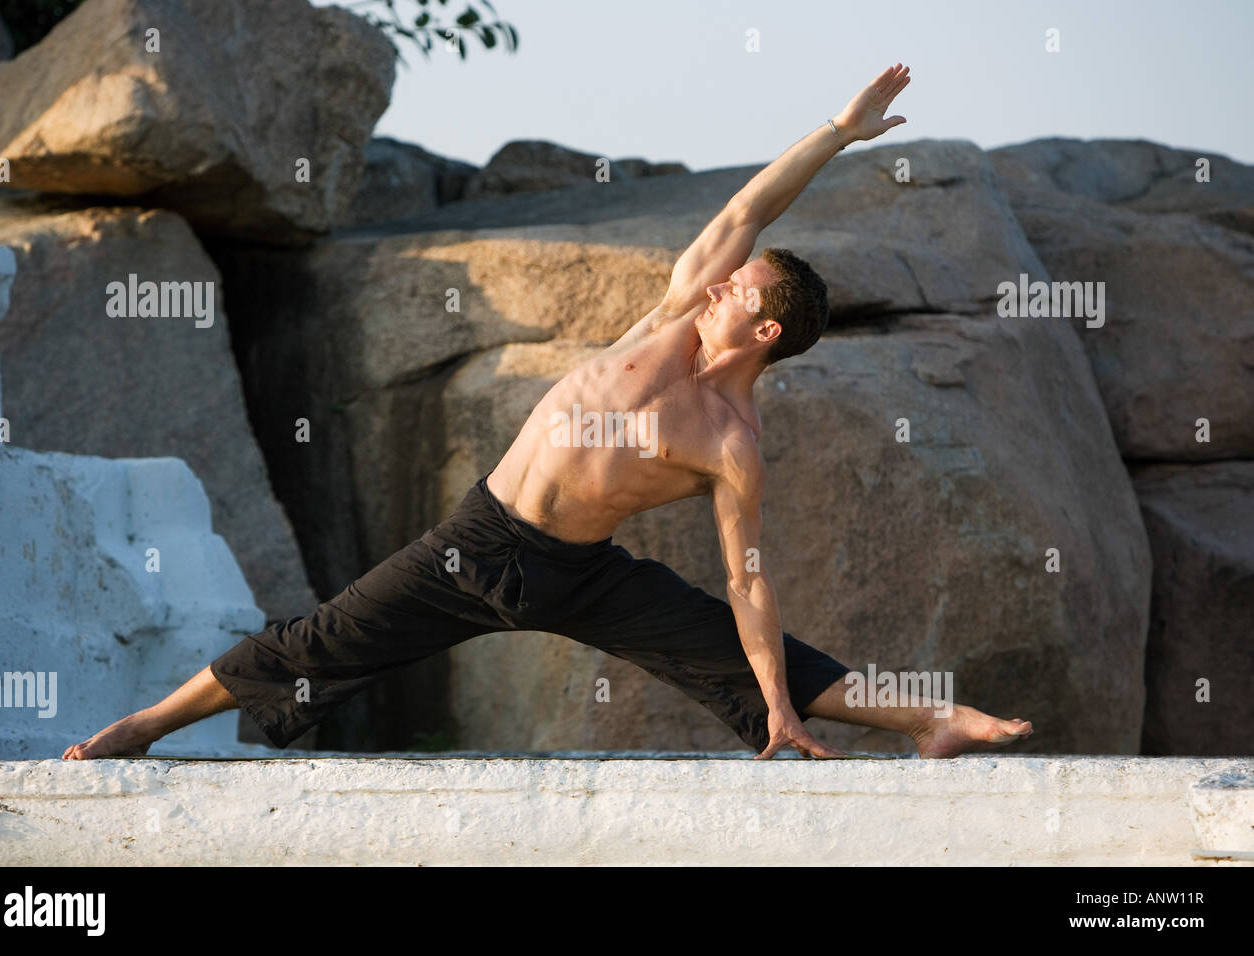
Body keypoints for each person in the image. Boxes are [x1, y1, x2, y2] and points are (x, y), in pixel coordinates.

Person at [65, 63, 1032, 761]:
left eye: (745, 285)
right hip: (476, 545)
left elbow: (749, 583)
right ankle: (143, 728)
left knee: (737, 649)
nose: (726, 274)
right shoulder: (674, 314)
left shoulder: (732, 442)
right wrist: (838, 129)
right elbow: (747, 209)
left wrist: (779, 702)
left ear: (765, 329)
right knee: (317, 643)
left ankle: (930, 721)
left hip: (581, 576)